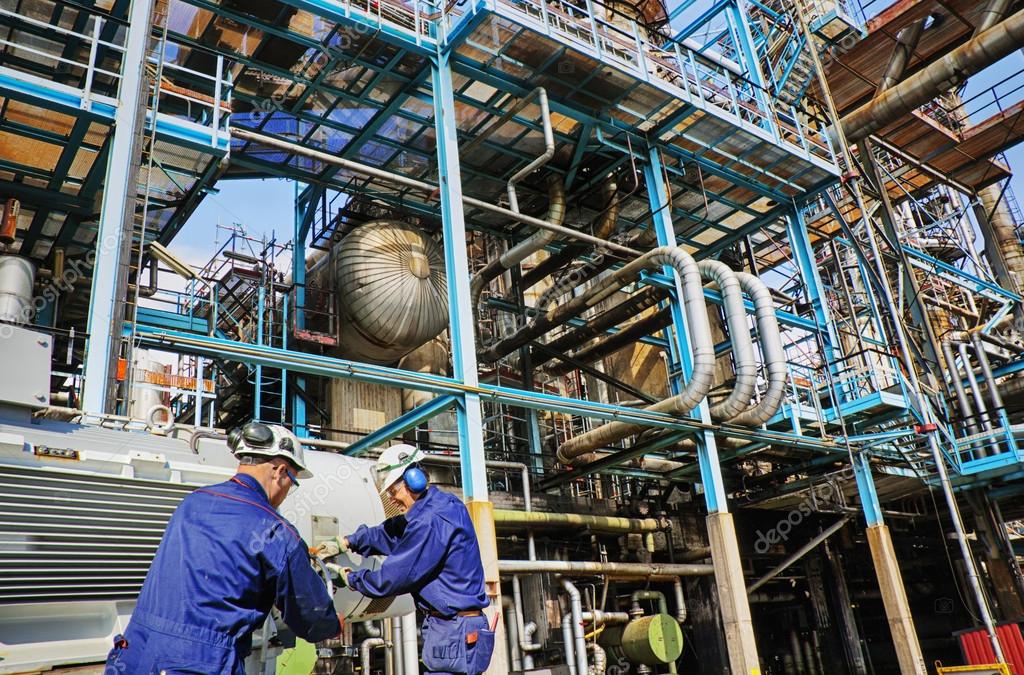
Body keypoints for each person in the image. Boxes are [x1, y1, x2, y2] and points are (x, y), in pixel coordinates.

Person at [105, 422, 343, 674]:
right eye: (292, 483)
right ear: (280, 471)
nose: (286, 492)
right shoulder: (276, 531)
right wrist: (330, 625)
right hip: (199, 662)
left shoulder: (192, 502)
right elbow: (309, 615)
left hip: (135, 651)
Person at [318, 444, 495, 675]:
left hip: (455, 630)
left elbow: (392, 579)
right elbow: (390, 533)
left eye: (393, 492)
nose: (391, 500)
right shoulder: (438, 505)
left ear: (414, 480)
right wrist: (348, 541)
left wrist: (349, 578)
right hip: (450, 628)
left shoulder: (431, 520)